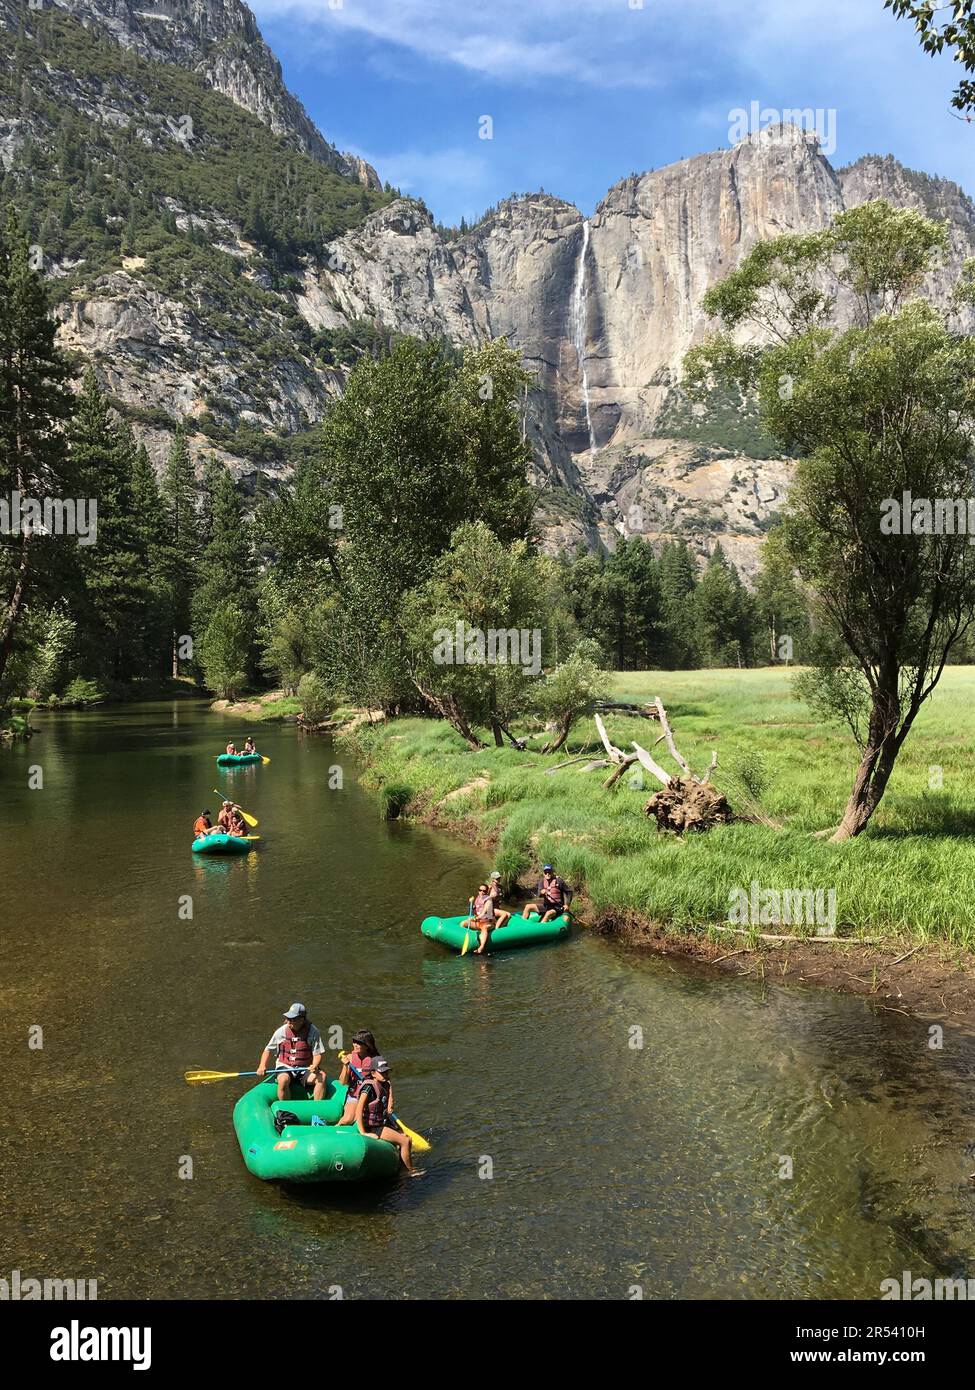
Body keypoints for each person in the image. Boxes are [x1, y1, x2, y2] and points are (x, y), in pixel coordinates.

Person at [355, 1057, 416, 1174]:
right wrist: (363, 1132)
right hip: (372, 1126)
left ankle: (400, 1165)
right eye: (382, 1072)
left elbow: (387, 1106)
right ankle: (409, 1172)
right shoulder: (369, 1087)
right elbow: (358, 1109)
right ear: (373, 1073)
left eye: (386, 1072)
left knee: (408, 1138)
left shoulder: (385, 1085)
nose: (385, 1074)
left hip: (382, 1123)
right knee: (405, 1141)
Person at [256, 1003, 328, 1102]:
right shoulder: (281, 1032)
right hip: (285, 1066)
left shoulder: (313, 1031)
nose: (288, 1021)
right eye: (288, 1018)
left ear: (301, 1019)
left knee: (322, 1077)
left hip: (305, 1068)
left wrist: (315, 1065)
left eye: (292, 1019)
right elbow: (267, 1050)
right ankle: (286, 1113)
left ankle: (317, 1110)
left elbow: (317, 1054)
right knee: (282, 1080)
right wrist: (262, 1066)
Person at [336, 1030, 379, 1126]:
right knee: (347, 1120)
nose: (355, 1045)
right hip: (354, 1096)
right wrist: (345, 1066)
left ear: (367, 1045)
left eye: (359, 1043)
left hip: (370, 1097)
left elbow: (384, 1080)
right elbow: (342, 1082)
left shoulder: (375, 1060)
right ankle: (334, 1129)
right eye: (354, 1042)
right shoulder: (350, 1058)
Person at [461, 883, 495, 955]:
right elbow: (474, 911)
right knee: (463, 923)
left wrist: (477, 918)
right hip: (478, 923)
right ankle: (461, 940)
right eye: (480, 890)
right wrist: (471, 905)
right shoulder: (477, 898)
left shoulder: (488, 900)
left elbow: (484, 911)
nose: (482, 892)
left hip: (488, 923)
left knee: (484, 927)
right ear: (478, 891)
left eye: (484, 891)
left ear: (487, 892)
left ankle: (481, 947)